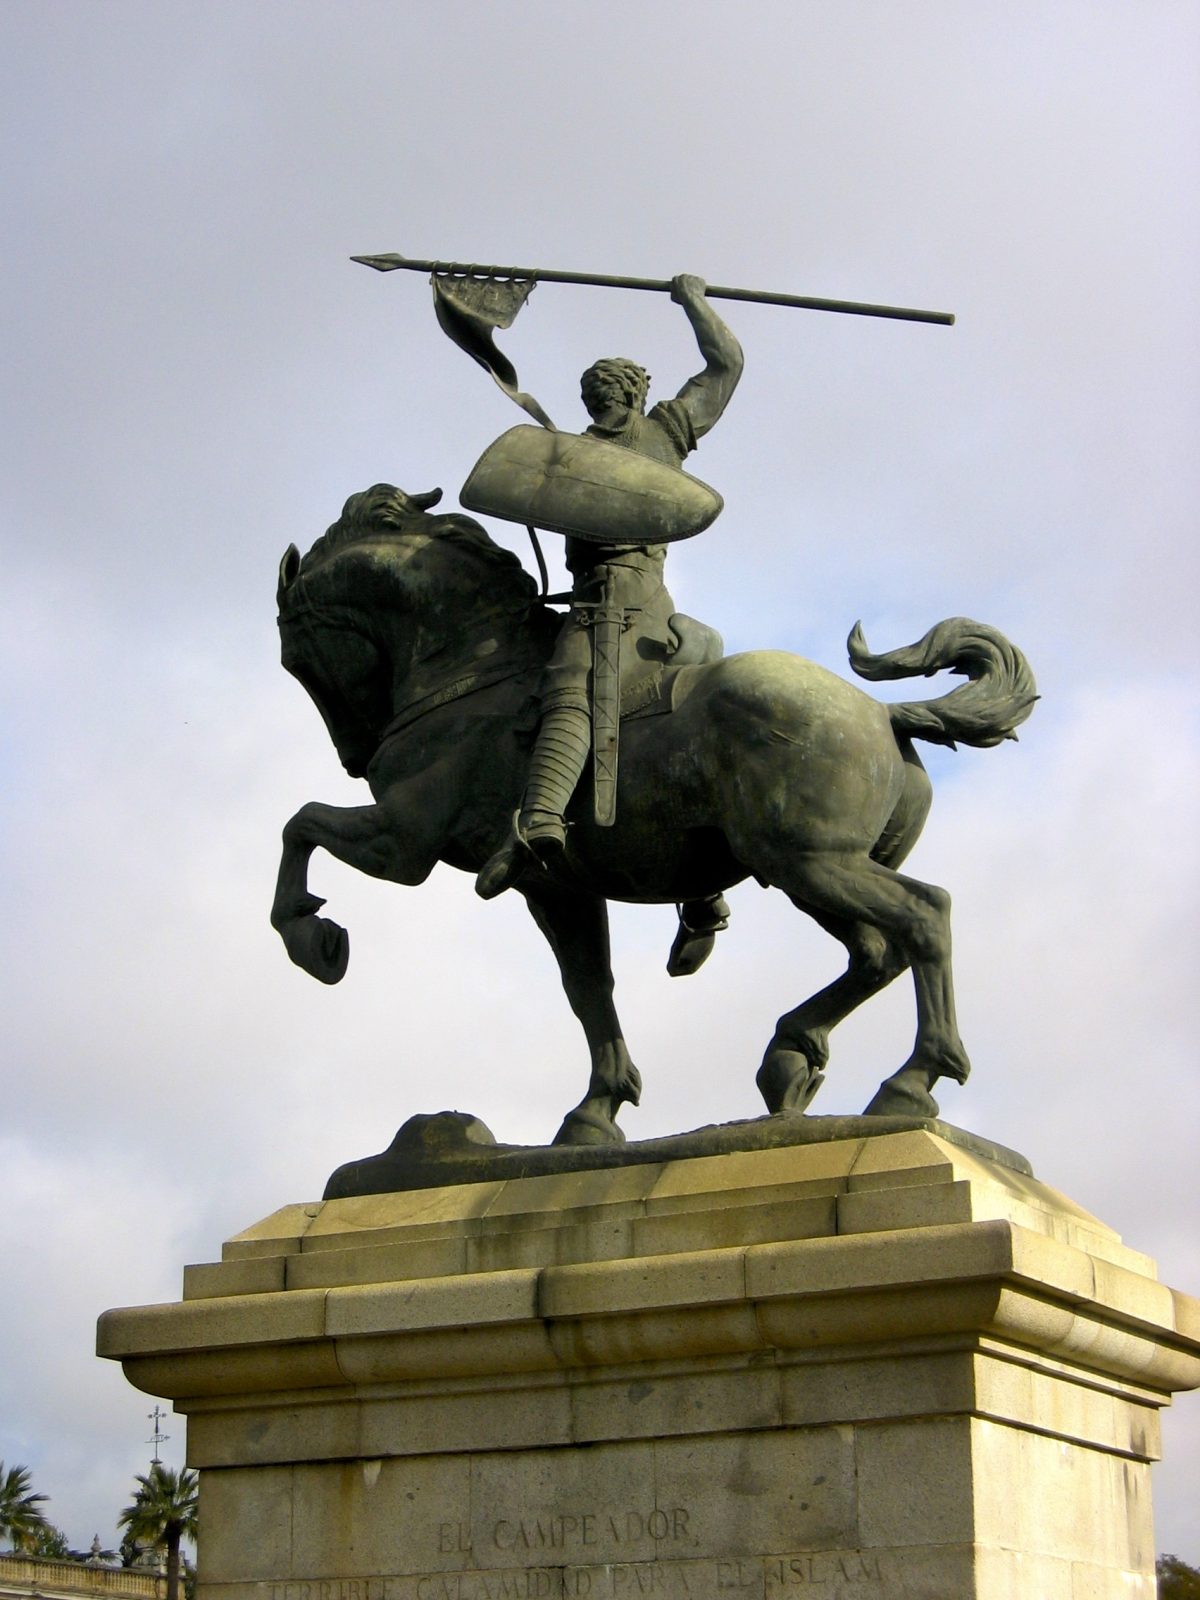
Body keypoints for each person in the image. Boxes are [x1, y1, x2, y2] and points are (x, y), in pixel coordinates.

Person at [476, 274, 744, 938]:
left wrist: (694, 301)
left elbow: (726, 365)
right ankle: (703, 890)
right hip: (602, 596)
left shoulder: (664, 432)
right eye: (590, 390)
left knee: (569, 689)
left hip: (619, 608)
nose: (598, 395)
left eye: (608, 387)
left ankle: (537, 818)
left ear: (633, 391)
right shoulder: (572, 456)